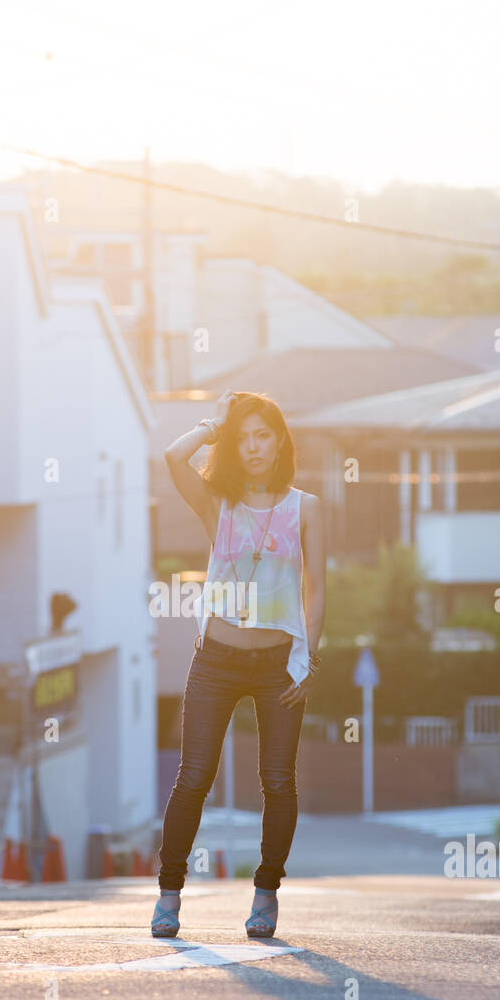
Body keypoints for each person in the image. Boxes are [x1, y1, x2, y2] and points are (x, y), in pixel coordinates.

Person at [152, 390, 326, 939]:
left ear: (279, 442)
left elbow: (316, 588)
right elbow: (172, 458)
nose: (253, 447)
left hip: (278, 664)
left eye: (262, 435)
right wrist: (214, 422)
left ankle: (266, 893)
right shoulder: (217, 503)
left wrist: (306, 660)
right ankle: (169, 895)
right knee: (194, 777)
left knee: (277, 781)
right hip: (217, 660)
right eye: (243, 437)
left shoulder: (307, 508)